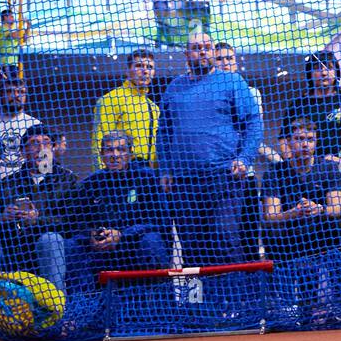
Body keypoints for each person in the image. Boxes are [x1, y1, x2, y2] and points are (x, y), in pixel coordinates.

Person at [155, 31, 262, 266]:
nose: (202, 51)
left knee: (224, 240)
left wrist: (244, 159)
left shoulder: (232, 82)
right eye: (196, 47)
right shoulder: (174, 88)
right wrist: (165, 170)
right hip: (184, 183)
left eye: (206, 46)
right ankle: (198, 303)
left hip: (224, 177)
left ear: (213, 51)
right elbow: (164, 133)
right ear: (186, 54)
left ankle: (231, 300)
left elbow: (254, 122)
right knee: (191, 247)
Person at [0, 125, 71, 292]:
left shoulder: (69, 181)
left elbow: (73, 222)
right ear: (23, 152)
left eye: (46, 143)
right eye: (34, 143)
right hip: (10, 253)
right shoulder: (7, 184)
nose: (41, 148)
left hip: (46, 252)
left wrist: (37, 220)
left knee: (50, 240)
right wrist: (1, 219)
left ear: (54, 148)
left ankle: (56, 307)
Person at [262, 118, 341, 319]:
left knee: (338, 231)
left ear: (316, 142)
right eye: (299, 139)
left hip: (322, 237)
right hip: (287, 240)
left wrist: (318, 209)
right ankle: (285, 307)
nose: (304, 144)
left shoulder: (328, 168)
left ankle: (340, 306)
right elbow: (271, 215)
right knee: (271, 234)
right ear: (290, 142)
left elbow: (338, 209)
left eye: (309, 139)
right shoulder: (275, 173)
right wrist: (295, 212)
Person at [73, 131, 170, 281]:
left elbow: (161, 221)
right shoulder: (90, 183)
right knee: (72, 245)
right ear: (102, 154)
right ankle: (84, 300)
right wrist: (90, 234)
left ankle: (157, 297)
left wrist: (123, 235)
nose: (115, 155)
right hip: (103, 248)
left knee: (151, 240)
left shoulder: (148, 178)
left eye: (121, 150)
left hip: (135, 243)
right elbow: (77, 221)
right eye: (109, 150)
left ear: (130, 153)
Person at [280, 51, 341, 180]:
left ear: (336, 71)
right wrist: (295, 166)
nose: (324, 73)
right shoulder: (298, 105)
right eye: (318, 69)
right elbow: (284, 139)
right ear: (310, 73)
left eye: (329, 68)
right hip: (309, 177)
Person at [92, 49, 159, 169]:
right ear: (128, 70)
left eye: (149, 67)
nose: (145, 71)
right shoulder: (111, 100)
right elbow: (99, 143)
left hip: (148, 177)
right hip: (120, 175)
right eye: (139, 65)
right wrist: (102, 178)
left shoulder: (154, 108)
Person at [0, 77, 39, 184]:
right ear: (1, 94)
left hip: (25, 189)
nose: (16, 95)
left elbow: (44, 163)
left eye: (21, 92)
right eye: (10, 91)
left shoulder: (35, 125)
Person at [0, 8, 28, 75]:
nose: (13, 18)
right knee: (11, 83)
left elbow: (24, 39)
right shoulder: (1, 28)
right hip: (5, 63)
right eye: (11, 16)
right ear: (5, 17)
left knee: (14, 83)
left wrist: (28, 27)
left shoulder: (13, 30)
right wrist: (22, 25)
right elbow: (12, 35)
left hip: (14, 62)